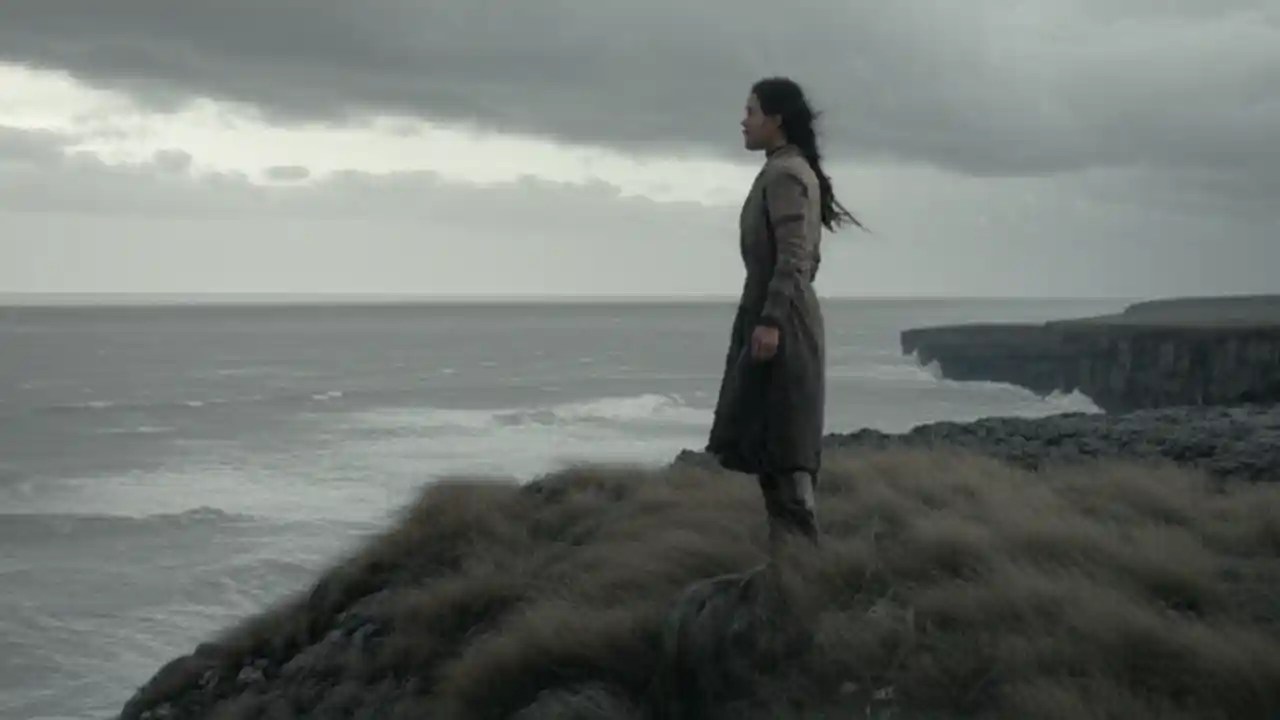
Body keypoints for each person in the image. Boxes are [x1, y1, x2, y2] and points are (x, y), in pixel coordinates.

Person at [707, 77, 863, 547]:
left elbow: (795, 256)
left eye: (751, 111)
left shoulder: (786, 174)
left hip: (784, 325)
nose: (743, 120)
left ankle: (804, 575)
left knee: (787, 456)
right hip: (773, 318)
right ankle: (789, 571)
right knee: (770, 451)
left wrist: (772, 321)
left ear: (775, 120)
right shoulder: (782, 169)